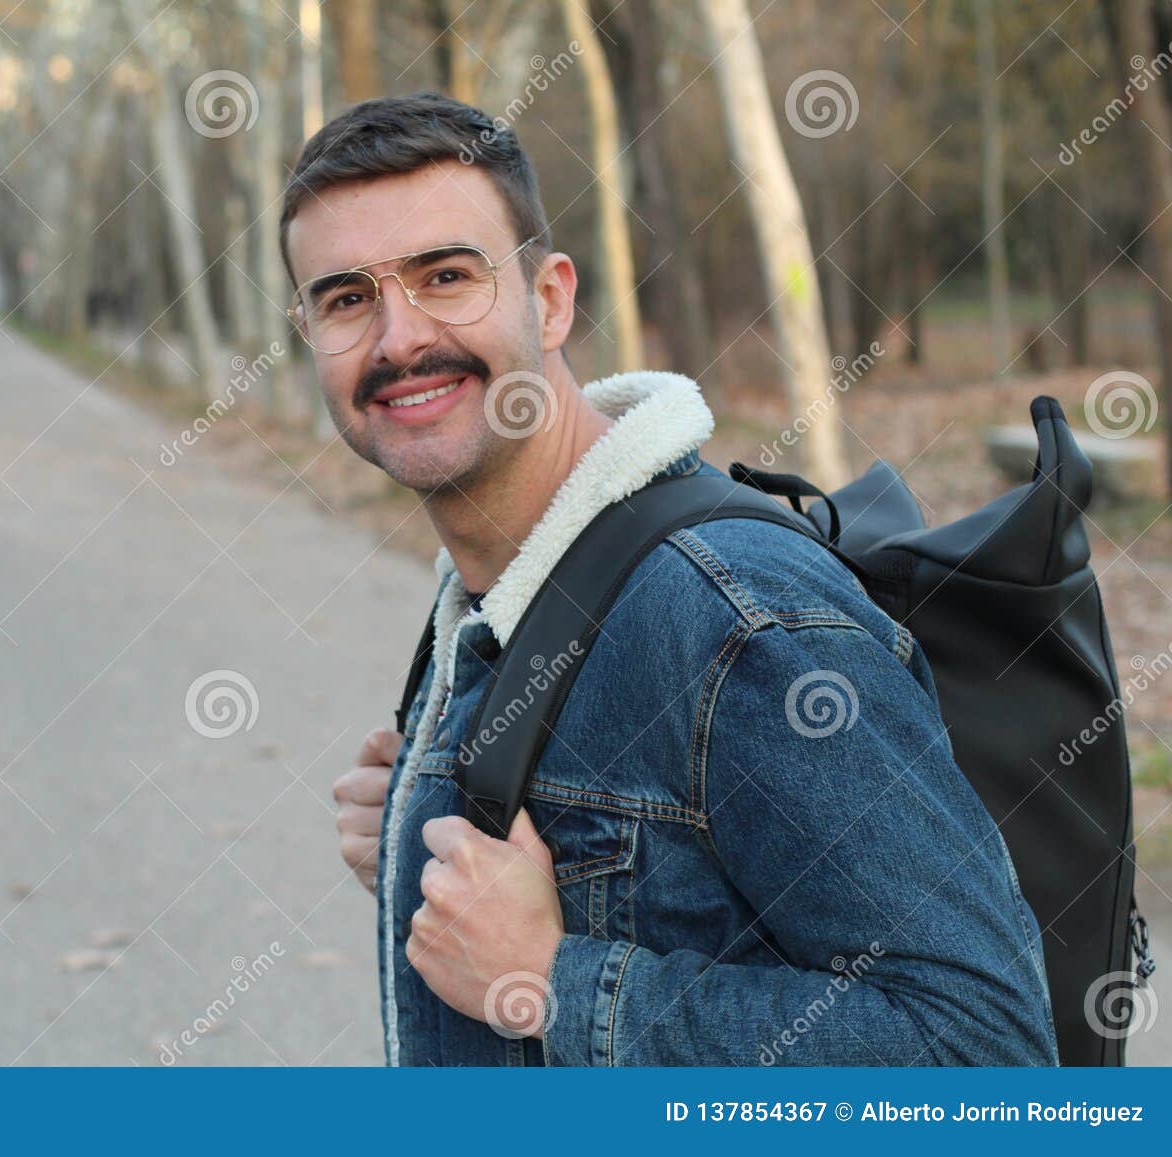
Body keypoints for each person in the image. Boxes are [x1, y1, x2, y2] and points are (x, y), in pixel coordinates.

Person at [288, 92, 1057, 1066]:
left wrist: (551, 977)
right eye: (346, 298)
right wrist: (418, 846)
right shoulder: (503, 591)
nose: (396, 339)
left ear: (552, 298)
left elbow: (981, 1055)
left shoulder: (740, 618)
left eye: (445, 275)